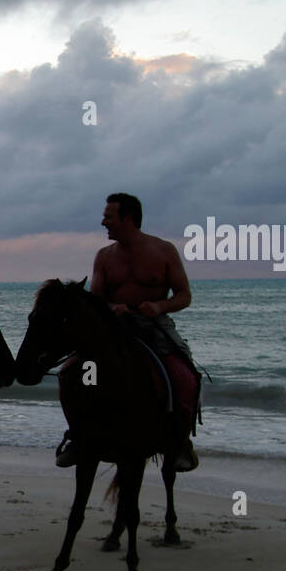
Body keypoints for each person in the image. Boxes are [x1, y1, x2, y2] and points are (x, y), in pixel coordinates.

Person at [56, 192, 200, 471]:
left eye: (109, 217)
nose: (103, 222)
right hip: (114, 330)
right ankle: (77, 434)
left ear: (128, 218)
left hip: (154, 327)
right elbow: (95, 301)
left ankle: (180, 442)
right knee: (70, 372)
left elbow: (184, 296)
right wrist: (112, 308)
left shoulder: (164, 251)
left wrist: (159, 306)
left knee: (186, 377)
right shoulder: (104, 256)